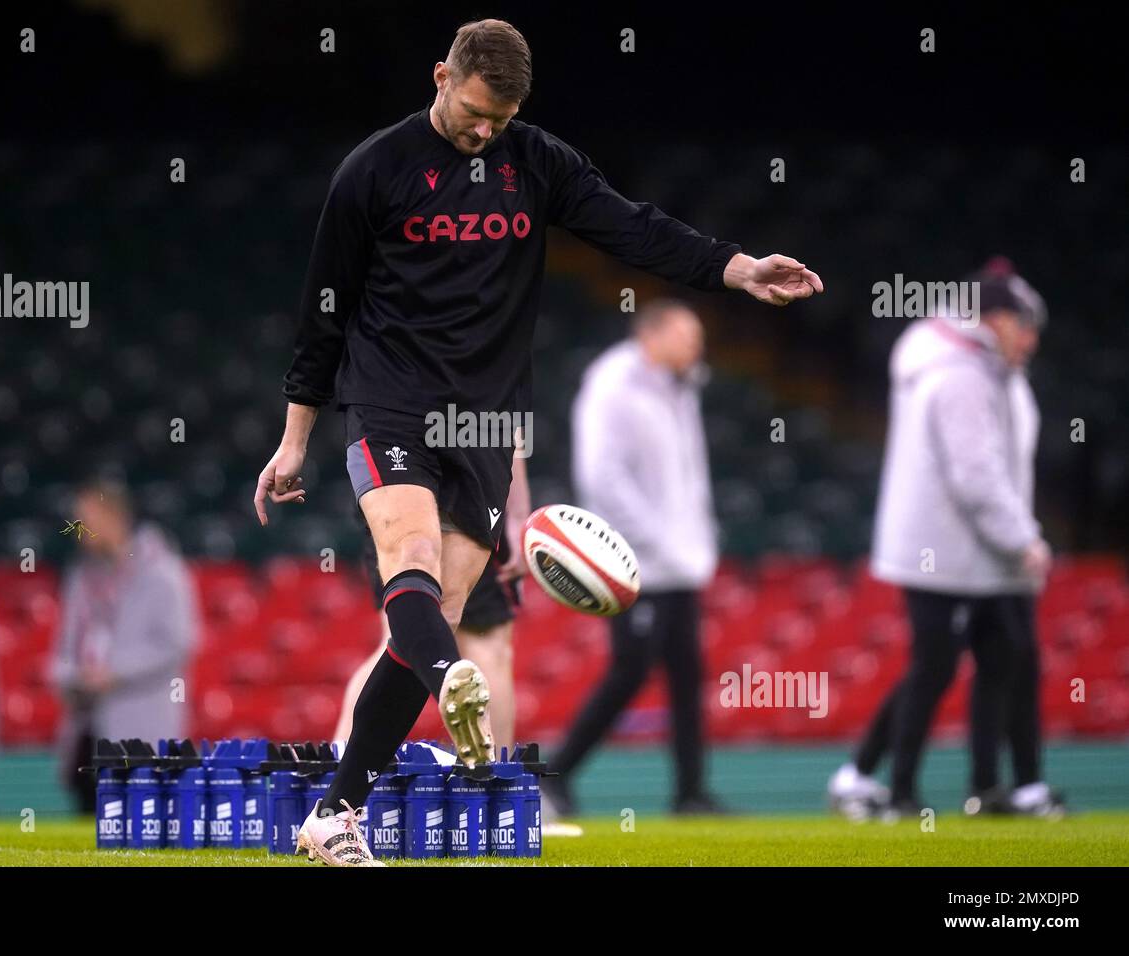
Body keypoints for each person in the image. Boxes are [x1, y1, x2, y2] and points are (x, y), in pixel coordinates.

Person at [255, 18, 821, 865]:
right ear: (441, 74)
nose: (487, 131)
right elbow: (322, 312)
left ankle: (334, 813)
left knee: (440, 611)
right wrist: (296, 437)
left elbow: (637, 227)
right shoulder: (372, 170)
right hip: (389, 400)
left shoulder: (538, 163)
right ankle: (451, 680)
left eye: (503, 118)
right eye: (477, 111)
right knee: (408, 559)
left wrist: (738, 268)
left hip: (487, 420)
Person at [828, 260, 1063, 819]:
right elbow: (975, 474)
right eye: (1024, 325)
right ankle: (886, 786)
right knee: (935, 665)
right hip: (946, 550)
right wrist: (1023, 539)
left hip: (973, 550)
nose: (1031, 339)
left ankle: (982, 789)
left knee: (997, 658)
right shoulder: (961, 374)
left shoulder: (985, 367)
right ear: (997, 321)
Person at [542, 300, 724, 818]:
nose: (697, 346)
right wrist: (649, 541)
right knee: (630, 671)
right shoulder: (614, 385)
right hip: (635, 562)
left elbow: (686, 475)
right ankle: (557, 777)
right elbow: (603, 477)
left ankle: (691, 793)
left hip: (680, 561)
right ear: (652, 335)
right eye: (688, 335)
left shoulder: (679, 385)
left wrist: (692, 541)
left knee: (687, 674)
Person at [335, 455, 529, 752]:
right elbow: (505, 420)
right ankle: (495, 782)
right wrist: (516, 516)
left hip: (390, 477)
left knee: (397, 637)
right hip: (468, 474)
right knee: (487, 645)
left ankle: (341, 769)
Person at [52, 479, 198, 812]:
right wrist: (70, 676)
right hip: (87, 721)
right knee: (88, 819)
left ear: (113, 517)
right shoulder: (82, 576)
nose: (78, 530)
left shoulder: (163, 571)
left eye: (84, 521)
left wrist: (115, 673)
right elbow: (63, 647)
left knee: (138, 820)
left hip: (140, 721)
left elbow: (178, 642)